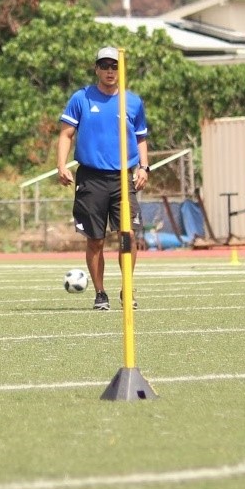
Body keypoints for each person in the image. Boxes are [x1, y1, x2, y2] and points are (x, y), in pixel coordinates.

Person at [56, 46, 149, 311]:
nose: (110, 71)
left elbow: (141, 137)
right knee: (95, 240)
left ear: (121, 70)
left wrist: (144, 167)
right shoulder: (81, 98)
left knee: (127, 235)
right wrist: (61, 165)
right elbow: (65, 134)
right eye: (105, 66)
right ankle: (100, 294)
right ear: (96, 68)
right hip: (91, 178)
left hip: (123, 178)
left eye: (114, 66)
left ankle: (127, 289)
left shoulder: (132, 102)